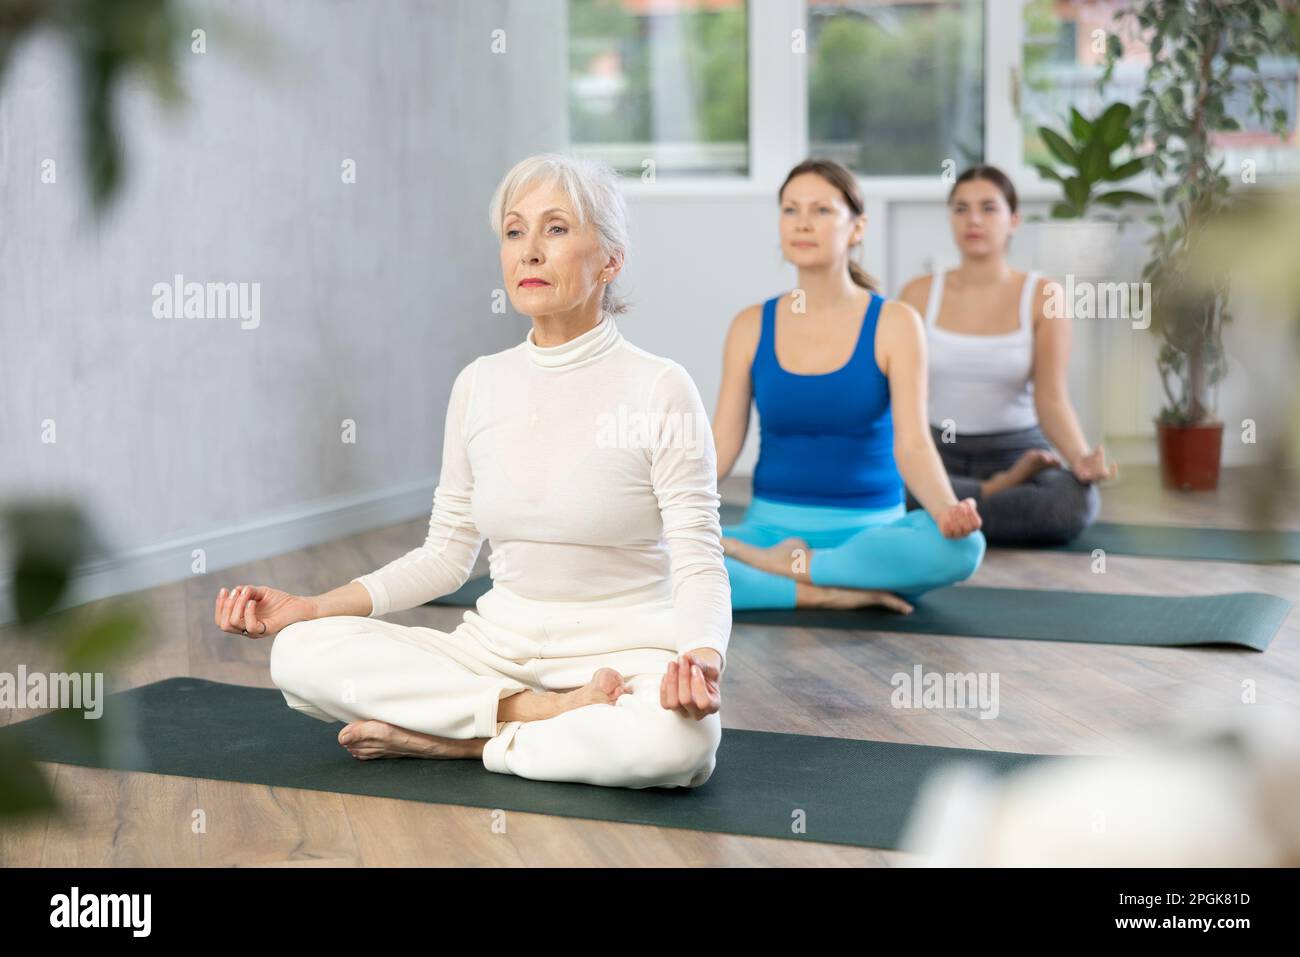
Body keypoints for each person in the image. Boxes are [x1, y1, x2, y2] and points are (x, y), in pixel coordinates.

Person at [214, 153, 728, 789]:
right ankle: (538, 717)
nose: (529, 252)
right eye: (515, 232)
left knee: (679, 745)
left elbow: (700, 557)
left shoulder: (660, 387)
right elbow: (445, 556)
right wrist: (312, 607)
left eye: (557, 229)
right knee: (300, 652)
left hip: (625, 658)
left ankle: (458, 743)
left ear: (611, 260)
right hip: (495, 653)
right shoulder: (480, 383)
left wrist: (701, 661)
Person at [712, 158, 985, 613]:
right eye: (790, 210)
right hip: (769, 530)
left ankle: (786, 571)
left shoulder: (895, 324)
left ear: (857, 228)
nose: (802, 223)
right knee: (653, 561)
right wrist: (662, 512)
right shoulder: (751, 325)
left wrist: (945, 512)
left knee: (964, 549)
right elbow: (721, 443)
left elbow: (914, 445)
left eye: (821, 211)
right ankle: (821, 589)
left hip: (871, 537)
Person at [897, 165, 1116, 547]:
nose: (974, 219)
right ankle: (993, 493)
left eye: (988, 208)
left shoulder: (1043, 294)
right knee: (883, 484)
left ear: (1013, 220)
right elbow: (897, 397)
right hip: (936, 452)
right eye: (961, 209)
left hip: (1018, 452)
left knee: (1072, 503)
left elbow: (1051, 397)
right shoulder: (916, 294)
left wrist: (1080, 458)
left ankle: (956, 511)